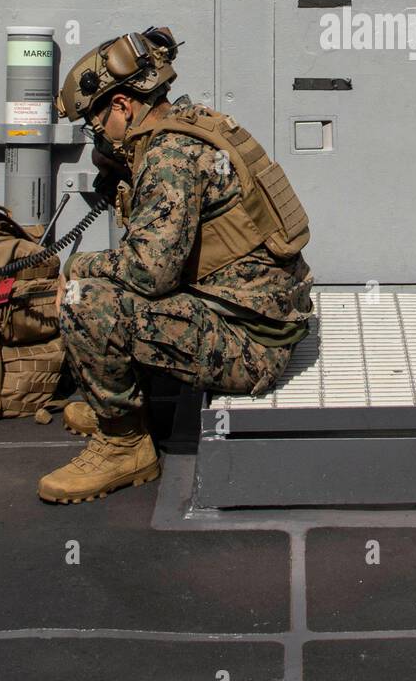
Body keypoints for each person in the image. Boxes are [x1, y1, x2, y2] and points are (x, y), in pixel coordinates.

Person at [38, 27, 312, 504]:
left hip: (253, 347)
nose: (97, 136)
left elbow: (150, 273)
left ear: (123, 105)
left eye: (97, 123)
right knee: (116, 287)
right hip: (258, 312)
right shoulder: (191, 124)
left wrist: (78, 266)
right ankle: (120, 406)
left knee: (87, 301)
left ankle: (123, 444)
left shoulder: (167, 159)